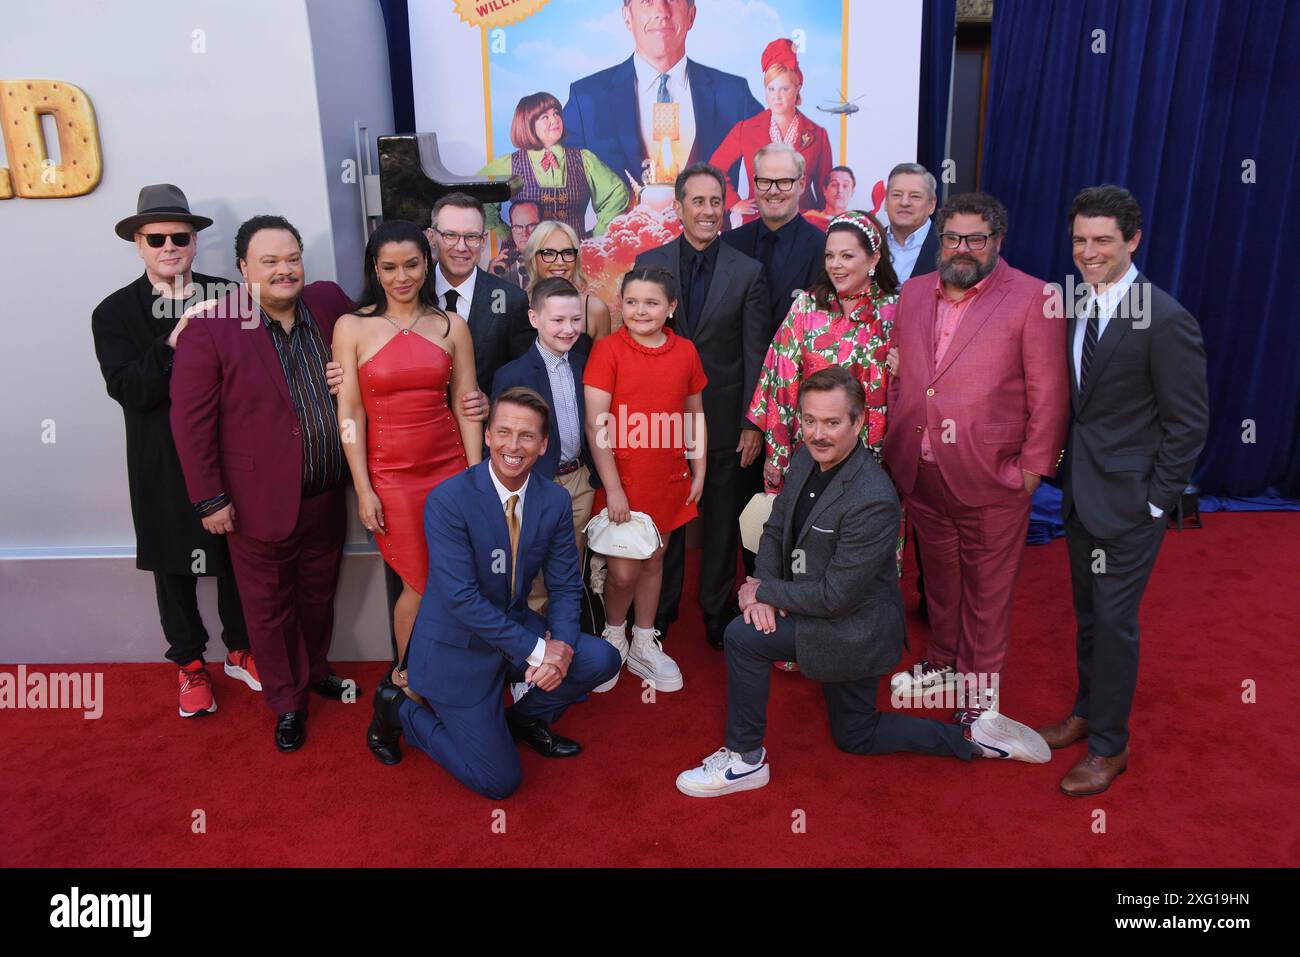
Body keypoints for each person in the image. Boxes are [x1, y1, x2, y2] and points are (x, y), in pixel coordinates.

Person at [675, 368, 1051, 797]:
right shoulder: (803, 458)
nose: (818, 433)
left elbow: (835, 597)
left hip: (854, 629)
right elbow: (777, 527)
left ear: (859, 423)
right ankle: (972, 741)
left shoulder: (872, 497)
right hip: (812, 604)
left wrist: (762, 592)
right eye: (810, 420)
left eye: (833, 423)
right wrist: (762, 580)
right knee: (854, 734)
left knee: (746, 640)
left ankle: (745, 761)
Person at [365, 388, 622, 798]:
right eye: (503, 432)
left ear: (542, 446)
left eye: (526, 436)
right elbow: (461, 599)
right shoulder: (449, 500)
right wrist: (540, 653)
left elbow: (565, 586)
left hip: (513, 631)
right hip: (457, 649)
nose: (512, 446)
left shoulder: (553, 500)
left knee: (601, 658)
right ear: (486, 436)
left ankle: (522, 721)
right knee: (499, 782)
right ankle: (398, 707)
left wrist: (562, 652)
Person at [1041, 185, 1208, 796]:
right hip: (1081, 496)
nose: (1089, 252)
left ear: (1133, 241)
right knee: (1088, 616)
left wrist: (1157, 503)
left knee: (1114, 623)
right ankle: (1088, 711)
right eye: (1080, 240)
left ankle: (1111, 747)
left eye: (1103, 241)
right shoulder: (1075, 303)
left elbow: (1188, 424)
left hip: (1132, 505)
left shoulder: (1165, 319)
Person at [170, 215, 359, 752]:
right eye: (270, 261)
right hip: (255, 504)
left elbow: (380, 327)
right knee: (268, 608)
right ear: (241, 270)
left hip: (326, 493)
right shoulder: (213, 328)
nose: (285, 269)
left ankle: (316, 668)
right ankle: (287, 701)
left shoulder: (327, 304)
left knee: (318, 594)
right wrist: (210, 498)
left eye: (292, 257)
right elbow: (191, 422)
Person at [882, 193, 1068, 722]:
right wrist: (900, 429)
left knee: (987, 595)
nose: (962, 249)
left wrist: (1031, 472)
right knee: (939, 583)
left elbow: (1050, 395)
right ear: (939, 241)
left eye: (975, 239)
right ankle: (943, 663)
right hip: (921, 470)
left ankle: (980, 699)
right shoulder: (914, 293)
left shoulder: (1036, 297)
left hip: (995, 477)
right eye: (952, 238)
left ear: (997, 242)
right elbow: (907, 379)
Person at [91, 184, 255, 718]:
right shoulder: (113, 313)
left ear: (194, 242)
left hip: (228, 456)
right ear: (138, 245)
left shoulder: (232, 297)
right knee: (173, 565)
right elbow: (129, 391)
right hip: (160, 463)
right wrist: (174, 342)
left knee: (235, 556)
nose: (168, 246)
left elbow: (258, 376)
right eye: (155, 238)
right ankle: (188, 665)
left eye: (178, 237)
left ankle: (240, 649)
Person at [333, 220, 482, 697]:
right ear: (375, 270)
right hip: (391, 478)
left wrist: (478, 479)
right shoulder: (351, 326)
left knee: (456, 578)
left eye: (413, 265)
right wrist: (362, 488)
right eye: (390, 267)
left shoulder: (451, 326)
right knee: (418, 583)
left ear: (427, 263)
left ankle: (447, 672)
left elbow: (466, 402)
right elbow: (350, 412)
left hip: (451, 470)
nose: (403, 277)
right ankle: (410, 678)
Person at [634, 163, 768, 650]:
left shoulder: (748, 272)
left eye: (716, 201)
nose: (708, 211)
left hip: (724, 418)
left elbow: (756, 353)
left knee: (719, 519)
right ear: (679, 206)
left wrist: (753, 423)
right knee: (666, 516)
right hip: (660, 419)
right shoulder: (649, 262)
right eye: (698, 201)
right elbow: (635, 343)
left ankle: (716, 608)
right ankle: (661, 609)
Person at [583, 265, 708, 692]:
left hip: (669, 478)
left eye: (651, 302)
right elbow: (596, 423)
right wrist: (614, 488)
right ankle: (613, 638)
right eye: (631, 302)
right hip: (624, 480)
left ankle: (643, 641)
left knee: (654, 560)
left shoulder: (686, 352)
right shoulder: (608, 350)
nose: (640, 310)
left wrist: (700, 468)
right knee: (621, 570)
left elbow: (695, 415)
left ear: (670, 308)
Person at [748, 210, 898, 490]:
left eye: (847, 256)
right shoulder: (807, 307)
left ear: (874, 258)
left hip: (874, 459)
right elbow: (782, 383)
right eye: (830, 256)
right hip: (809, 455)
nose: (836, 265)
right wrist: (778, 457)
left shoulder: (894, 312)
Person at [562, 0, 762, 189]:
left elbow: (781, 162)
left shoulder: (734, 96)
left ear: (691, 15)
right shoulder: (587, 99)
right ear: (627, 17)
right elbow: (558, 184)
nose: (661, 12)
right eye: (648, 1)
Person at [492, 277, 600, 615]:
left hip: (580, 479)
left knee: (572, 564)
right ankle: (535, 639)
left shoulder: (586, 364)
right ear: (534, 318)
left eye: (575, 320)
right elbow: (501, 441)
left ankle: (565, 631)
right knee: (534, 565)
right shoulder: (513, 374)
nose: (568, 329)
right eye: (557, 320)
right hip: (537, 480)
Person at [709, 39, 833, 223]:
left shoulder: (818, 135)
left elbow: (825, 190)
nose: (776, 96)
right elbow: (714, 169)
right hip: (758, 226)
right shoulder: (746, 129)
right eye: (771, 88)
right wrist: (733, 202)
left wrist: (823, 223)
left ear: (797, 89)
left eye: (784, 88)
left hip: (803, 224)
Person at [479, 92, 628, 241]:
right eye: (545, 117)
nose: (555, 120)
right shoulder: (511, 164)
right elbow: (476, 193)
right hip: (527, 260)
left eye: (556, 114)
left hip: (575, 259)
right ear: (528, 124)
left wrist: (597, 236)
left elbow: (617, 194)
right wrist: (506, 234)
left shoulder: (584, 159)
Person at [721, 143, 827, 340]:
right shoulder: (730, 244)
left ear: (802, 185)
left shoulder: (823, 248)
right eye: (765, 181)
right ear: (754, 184)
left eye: (784, 181)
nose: (774, 190)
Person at [428, 192, 529, 395]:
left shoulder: (511, 300)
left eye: (471, 237)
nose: (461, 247)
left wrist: (493, 405)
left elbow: (524, 379)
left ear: (483, 241)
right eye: (450, 235)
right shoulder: (410, 295)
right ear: (432, 237)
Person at [513, 219, 613, 357]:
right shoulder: (515, 307)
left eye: (567, 253)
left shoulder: (594, 310)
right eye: (549, 253)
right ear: (533, 257)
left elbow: (602, 373)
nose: (560, 262)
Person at [883, 162, 940, 282]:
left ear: (931, 205)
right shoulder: (868, 243)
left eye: (915, 196)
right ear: (886, 202)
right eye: (896, 195)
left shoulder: (948, 245)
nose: (904, 203)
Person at [488, 199, 540, 288]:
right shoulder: (500, 265)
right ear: (511, 228)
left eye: (531, 226)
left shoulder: (555, 260)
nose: (524, 234)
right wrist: (490, 279)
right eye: (518, 227)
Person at [803, 166, 855, 232]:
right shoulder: (808, 220)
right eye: (834, 185)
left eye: (845, 186)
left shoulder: (857, 224)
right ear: (824, 190)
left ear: (852, 192)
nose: (840, 190)